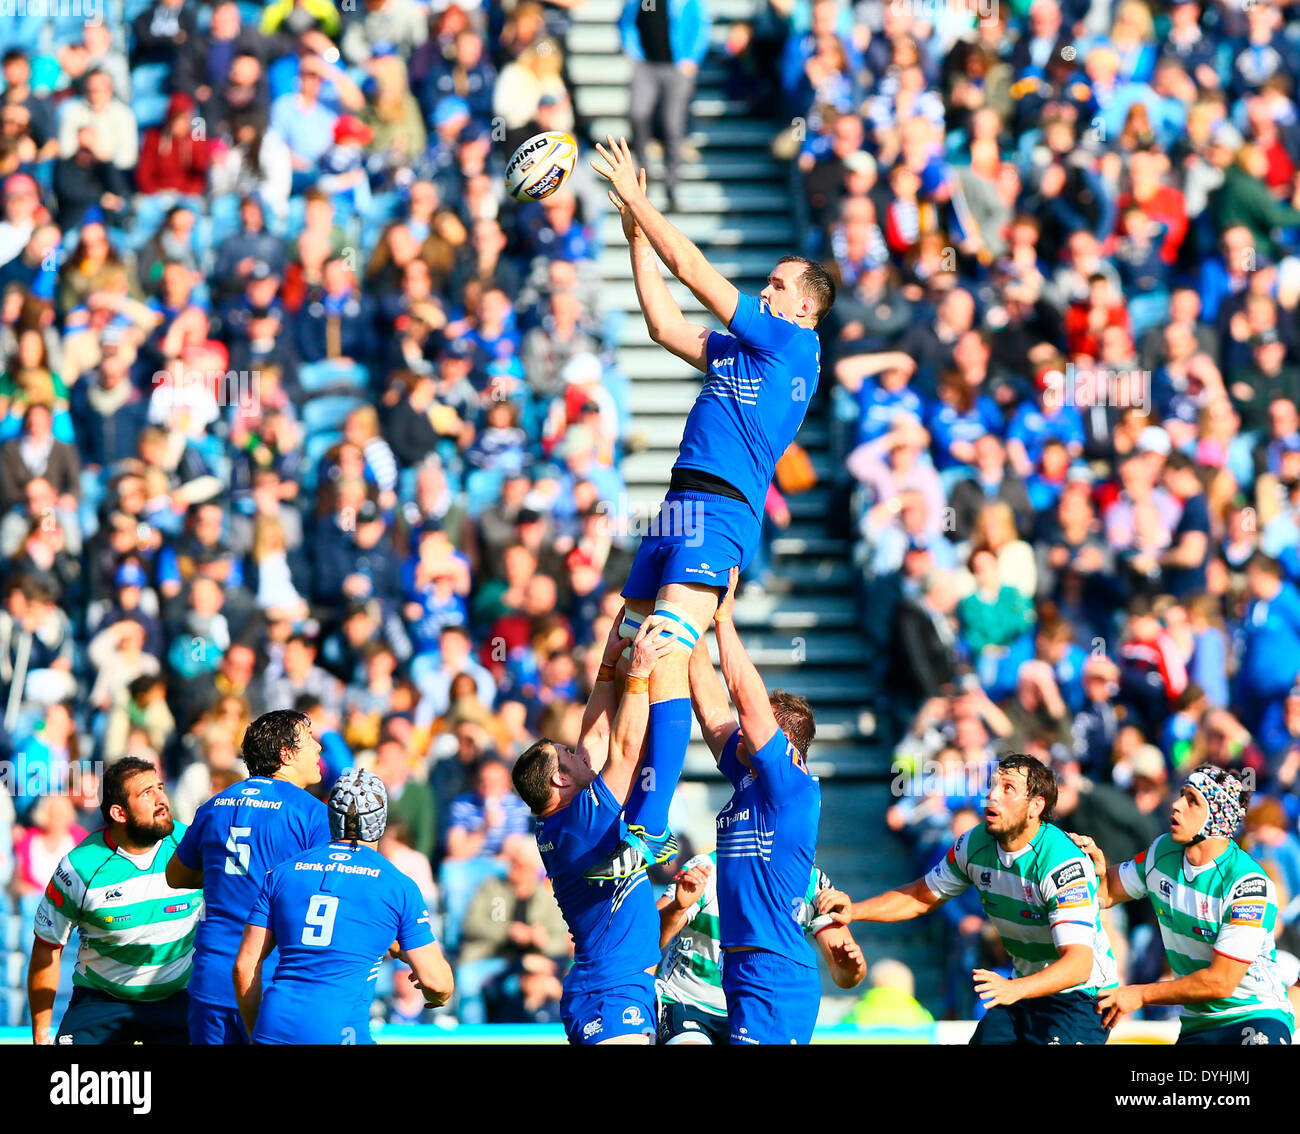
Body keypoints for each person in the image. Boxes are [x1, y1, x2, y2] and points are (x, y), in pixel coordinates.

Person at [586, 138, 835, 877]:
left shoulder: (789, 348)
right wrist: (635, 240)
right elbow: (665, 326)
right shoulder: (748, 351)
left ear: (805, 309)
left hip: (719, 514)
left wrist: (638, 200)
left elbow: (693, 272)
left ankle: (653, 824)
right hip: (676, 507)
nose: (764, 293)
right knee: (623, 652)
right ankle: (599, 797)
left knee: (664, 647)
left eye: (777, 284)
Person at [819, 754, 1119, 1044]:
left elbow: (1078, 965)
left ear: (1035, 806)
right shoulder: (974, 844)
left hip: (1083, 998)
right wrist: (853, 910)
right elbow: (921, 898)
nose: (992, 796)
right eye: (992, 785)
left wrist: (1016, 988)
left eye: (1008, 788)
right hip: (1023, 989)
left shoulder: (1061, 862)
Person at [509, 615, 674, 1044]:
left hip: (613, 986)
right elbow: (620, 750)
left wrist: (606, 670)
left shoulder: (565, 820)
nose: (578, 752)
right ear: (560, 781)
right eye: (566, 755)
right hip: (609, 992)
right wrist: (635, 676)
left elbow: (594, 741)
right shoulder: (580, 825)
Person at [685, 567, 826, 1044]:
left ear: (784, 741)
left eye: (757, 727)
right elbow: (711, 711)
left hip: (775, 970)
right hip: (745, 963)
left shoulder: (792, 785)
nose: (741, 731)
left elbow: (745, 706)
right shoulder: (750, 778)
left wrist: (724, 620)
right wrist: (687, 624)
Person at [1070, 765, 1296, 1045]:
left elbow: (1221, 981)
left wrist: (1139, 994)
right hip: (1197, 1023)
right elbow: (1103, 894)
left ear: (1217, 817)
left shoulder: (1248, 884)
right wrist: (1087, 868)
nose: (1176, 805)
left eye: (1192, 800)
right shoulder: (1162, 851)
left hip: (1255, 1015)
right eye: (1181, 795)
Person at [232, 769, 454, 1044]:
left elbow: (245, 966)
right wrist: (438, 995)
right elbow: (437, 981)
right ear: (381, 821)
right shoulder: (396, 885)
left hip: (275, 1027)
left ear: (331, 815)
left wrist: (257, 1032)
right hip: (341, 1033)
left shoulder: (283, 872)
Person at [165, 708, 330, 1044]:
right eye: (310, 740)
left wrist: (226, 879)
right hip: (273, 982)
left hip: (212, 978)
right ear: (286, 754)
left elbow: (176, 875)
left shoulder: (214, 805)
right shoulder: (313, 814)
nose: (319, 749)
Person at [27, 757, 201, 1044]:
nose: (162, 798)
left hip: (178, 999)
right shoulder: (78, 869)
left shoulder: (192, 845)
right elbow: (47, 948)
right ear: (119, 813)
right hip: (101, 1001)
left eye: (160, 787)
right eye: (147, 793)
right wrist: (40, 1034)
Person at [655, 850, 866, 1044]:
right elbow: (649, 940)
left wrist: (851, 969)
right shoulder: (707, 869)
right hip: (687, 1003)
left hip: (755, 1010)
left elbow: (845, 977)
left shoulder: (812, 884)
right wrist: (677, 908)